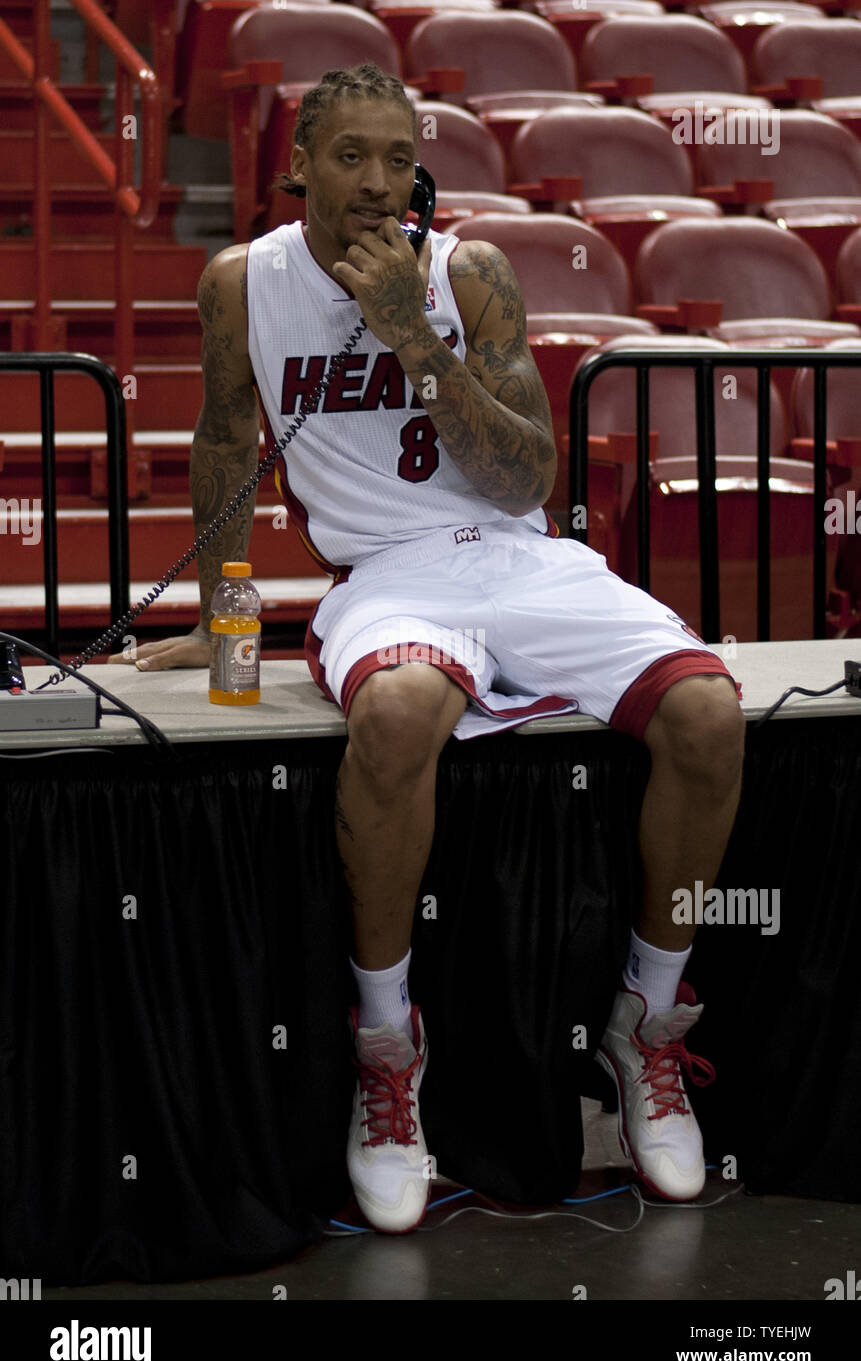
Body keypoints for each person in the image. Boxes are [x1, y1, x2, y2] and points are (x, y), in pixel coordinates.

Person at [110, 63, 746, 1234]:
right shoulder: (242, 282)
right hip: (387, 575)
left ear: (422, 171)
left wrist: (418, 339)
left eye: (398, 158)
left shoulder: (473, 274)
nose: (376, 181)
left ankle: (647, 1020)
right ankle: (386, 1051)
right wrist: (222, 615)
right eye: (349, 155)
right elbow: (221, 435)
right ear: (297, 161)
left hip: (515, 555)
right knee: (399, 716)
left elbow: (530, 480)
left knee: (710, 711)